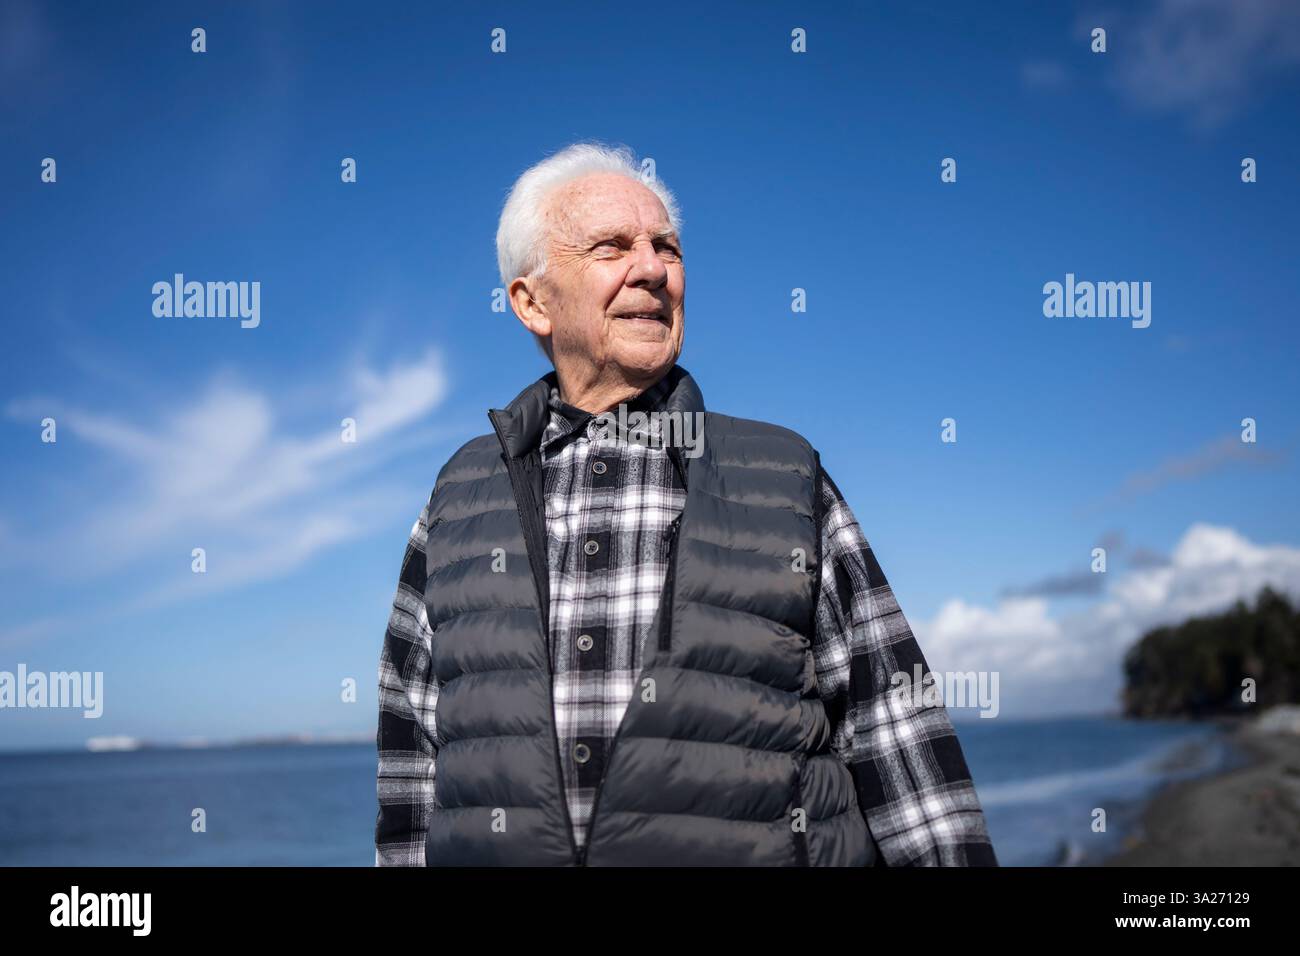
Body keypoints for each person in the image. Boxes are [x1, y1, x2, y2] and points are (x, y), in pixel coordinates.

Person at [375, 141, 996, 866]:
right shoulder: (458, 496)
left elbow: (898, 732)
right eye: (612, 246)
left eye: (665, 247)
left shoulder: (782, 475)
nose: (652, 269)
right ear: (531, 301)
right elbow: (411, 768)